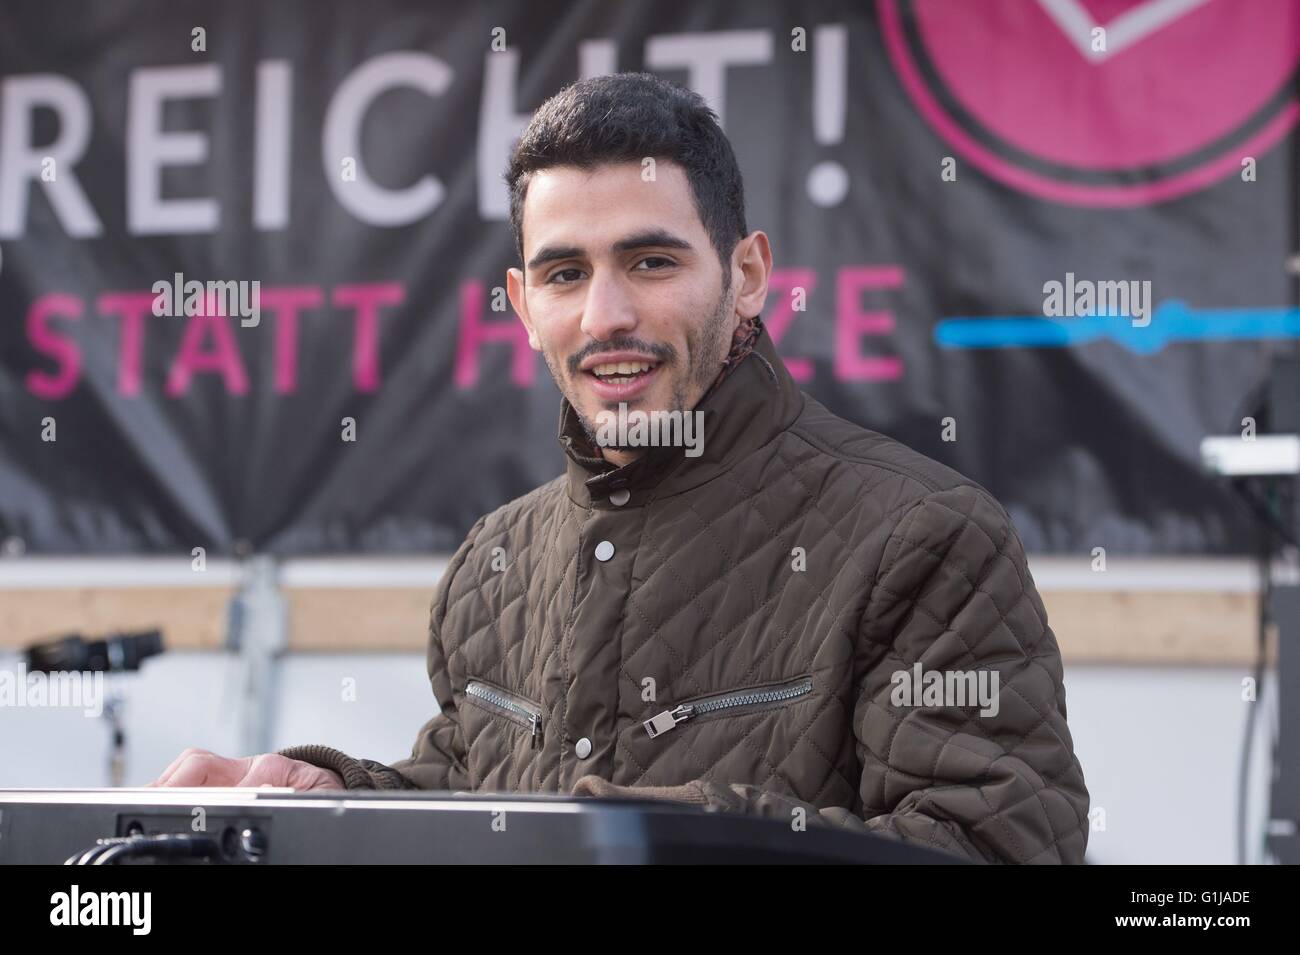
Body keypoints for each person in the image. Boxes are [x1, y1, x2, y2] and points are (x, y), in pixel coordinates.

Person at [154, 72, 1089, 864]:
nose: (606, 316)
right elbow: (476, 793)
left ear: (748, 274)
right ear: (523, 303)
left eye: (649, 261)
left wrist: (636, 832)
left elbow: (993, 844)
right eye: (564, 274)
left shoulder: (924, 534)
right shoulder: (495, 560)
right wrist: (332, 794)